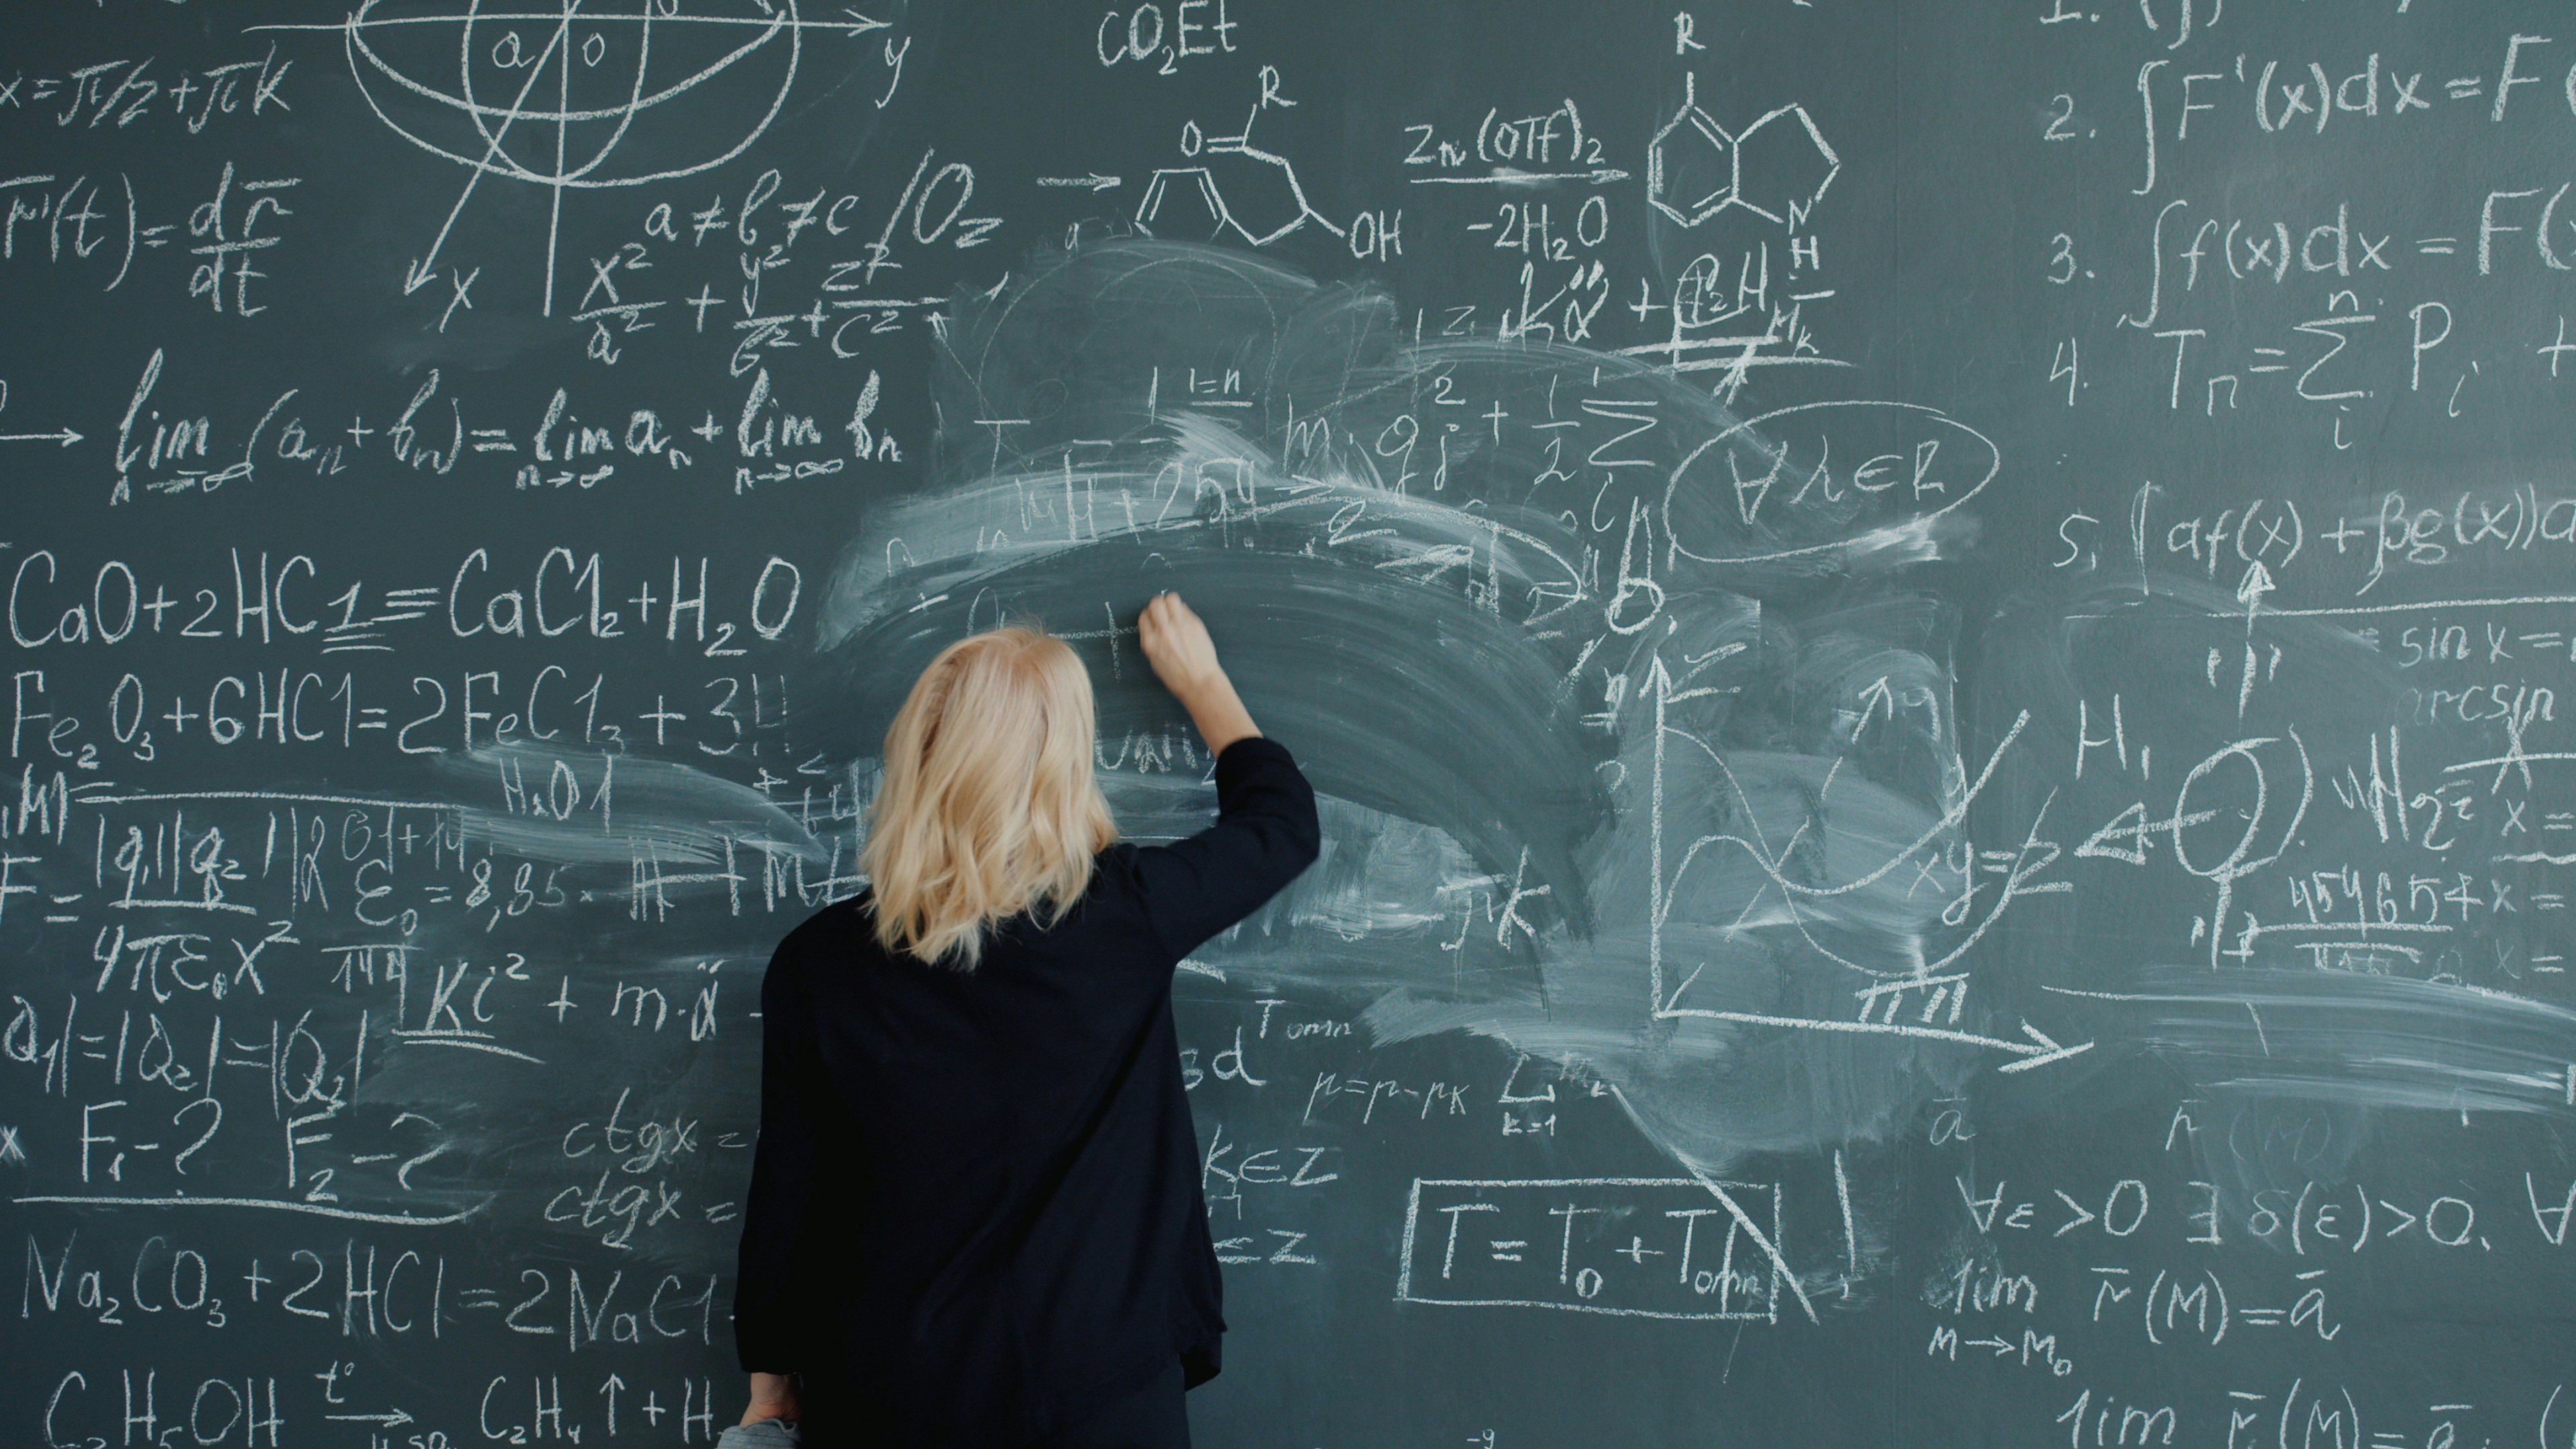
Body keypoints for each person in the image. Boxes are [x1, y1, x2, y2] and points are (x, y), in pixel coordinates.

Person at [732, 592, 1320, 1448]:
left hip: (890, 1396)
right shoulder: (1126, 916)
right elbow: (1282, 828)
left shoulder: (817, 962)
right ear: (1063, 763)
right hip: (1102, 1396)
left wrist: (769, 1391)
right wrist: (1202, 683)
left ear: (918, 755)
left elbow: (789, 1191)